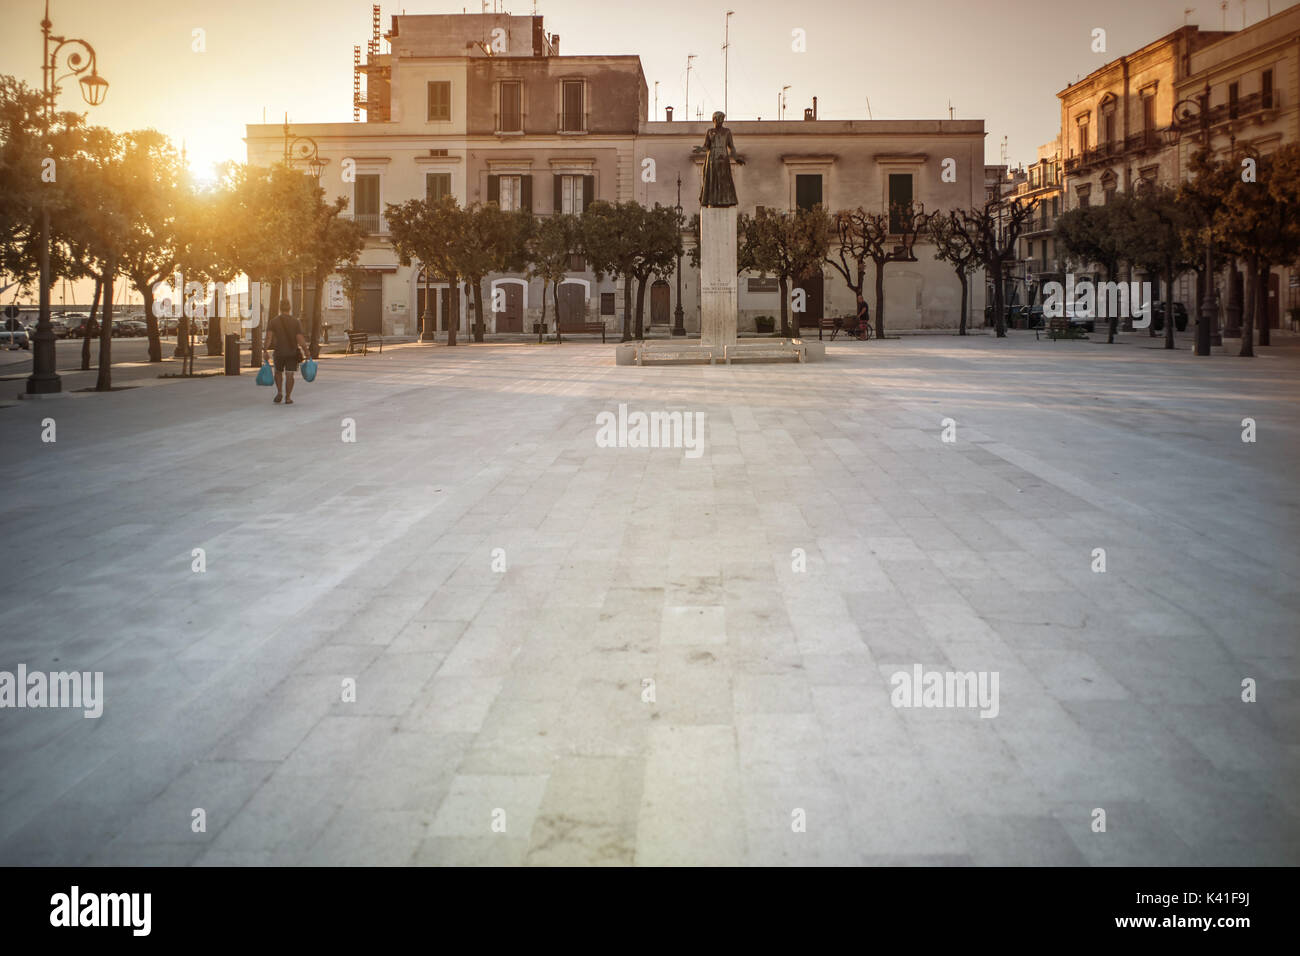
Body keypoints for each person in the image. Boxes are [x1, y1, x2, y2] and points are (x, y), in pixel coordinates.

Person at [264, 300, 309, 405]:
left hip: (279, 352)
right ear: (290, 307)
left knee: (278, 372)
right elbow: (300, 338)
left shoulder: (273, 321)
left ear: (280, 308)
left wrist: (265, 350)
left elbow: (268, 338)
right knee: (289, 374)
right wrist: (306, 351)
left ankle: (279, 392)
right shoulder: (295, 321)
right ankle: (288, 397)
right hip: (292, 352)